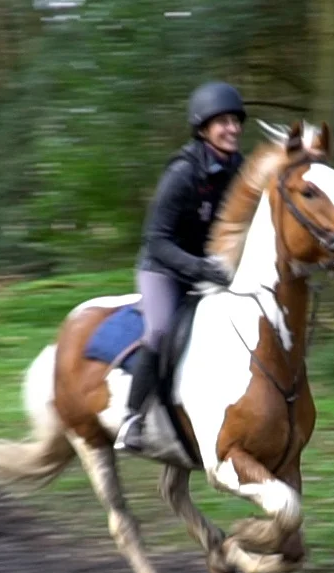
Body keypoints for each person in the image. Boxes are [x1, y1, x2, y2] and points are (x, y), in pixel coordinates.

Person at [114, 81, 247, 452]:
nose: (232, 128)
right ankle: (133, 419)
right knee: (158, 330)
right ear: (203, 128)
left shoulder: (239, 168)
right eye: (222, 122)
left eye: (236, 121)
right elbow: (156, 239)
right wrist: (201, 268)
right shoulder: (182, 173)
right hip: (163, 268)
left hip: (208, 266)